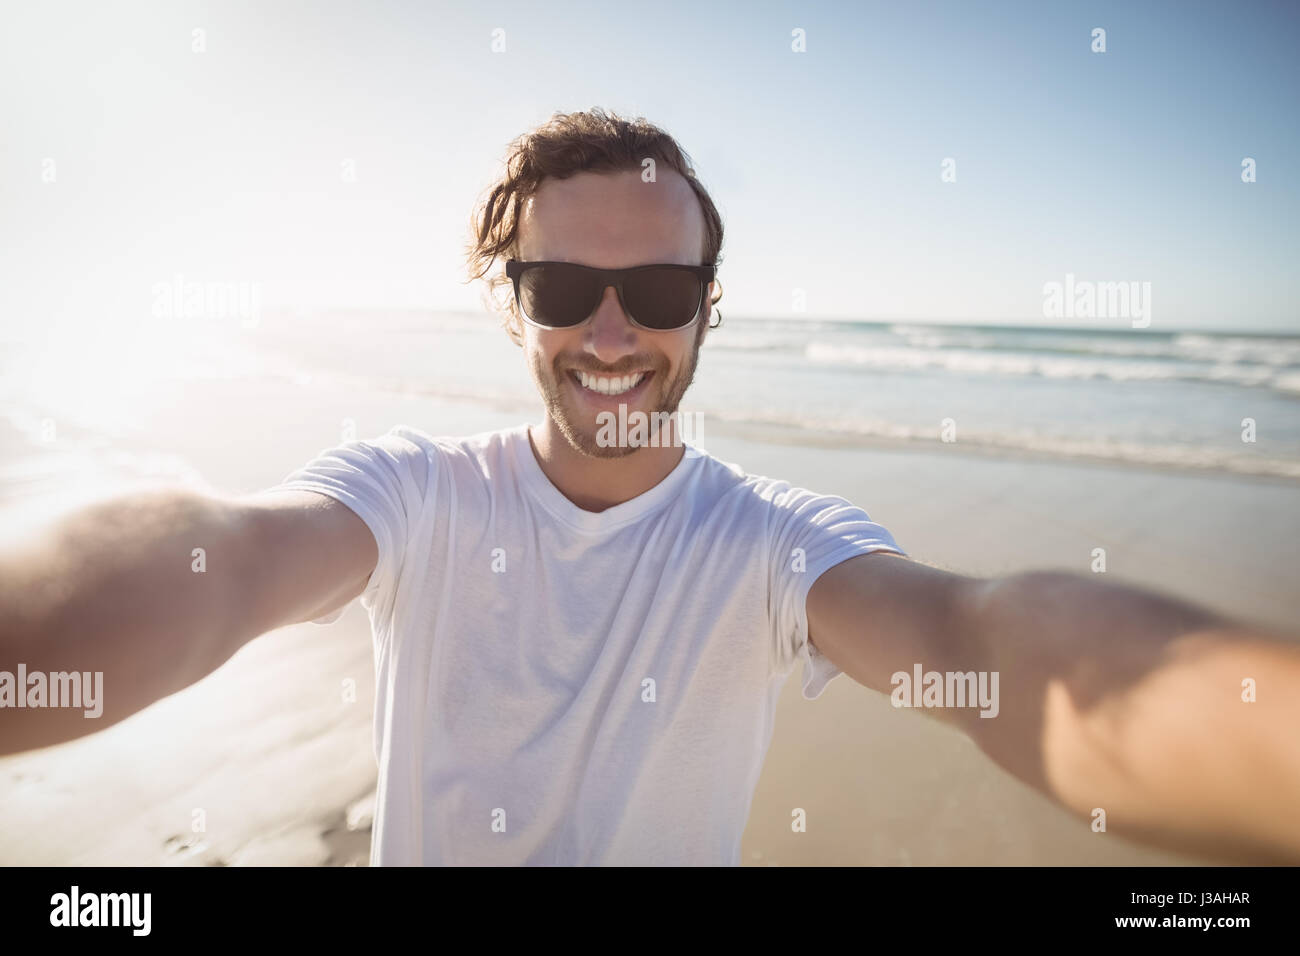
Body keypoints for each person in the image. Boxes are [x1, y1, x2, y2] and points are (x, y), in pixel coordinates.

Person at [3, 108, 1298, 866]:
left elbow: (976, 641)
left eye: (661, 293)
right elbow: (217, 559)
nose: (613, 334)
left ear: (709, 309)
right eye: (564, 290)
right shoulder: (413, 492)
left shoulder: (772, 542)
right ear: (508, 307)